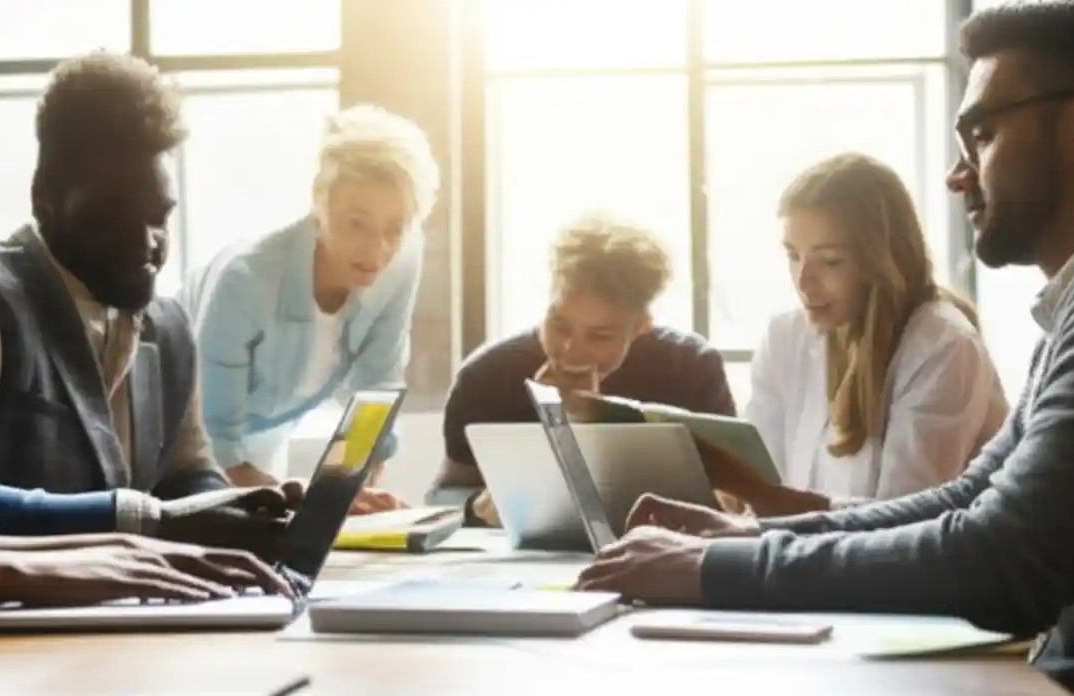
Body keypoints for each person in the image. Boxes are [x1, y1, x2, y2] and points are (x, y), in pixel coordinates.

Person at [576, 0, 1074, 696]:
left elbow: (1006, 560)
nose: (956, 173)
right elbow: (971, 498)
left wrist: (711, 569)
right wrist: (749, 539)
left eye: (980, 134)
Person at [0, 53, 291, 633]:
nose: (145, 242)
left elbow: (186, 474)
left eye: (159, 217)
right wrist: (144, 524)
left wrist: (233, 516)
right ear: (43, 197)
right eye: (112, 216)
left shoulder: (168, 327)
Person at [720, 153, 1007, 517]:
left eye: (830, 261)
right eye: (793, 256)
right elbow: (760, 497)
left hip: (914, 568)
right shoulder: (784, 338)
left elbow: (905, 525)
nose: (803, 281)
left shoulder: (943, 346)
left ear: (884, 259)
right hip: (803, 564)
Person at [180, 104, 437, 503]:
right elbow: (211, 447)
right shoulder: (245, 282)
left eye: (394, 228)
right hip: (180, 444)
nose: (378, 248)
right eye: (357, 222)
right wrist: (311, 504)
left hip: (265, 440)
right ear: (319, 202)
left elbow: (377, 385)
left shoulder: (401, 259)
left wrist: (346, 493)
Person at [430, 214, 737, 525]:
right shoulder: (488, 374)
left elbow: (735, 497)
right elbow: (445, 493)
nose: (570, 350)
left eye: (599, 336)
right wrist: (476, 504)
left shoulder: (690, 368)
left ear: (641, 327)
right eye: (559, 325)